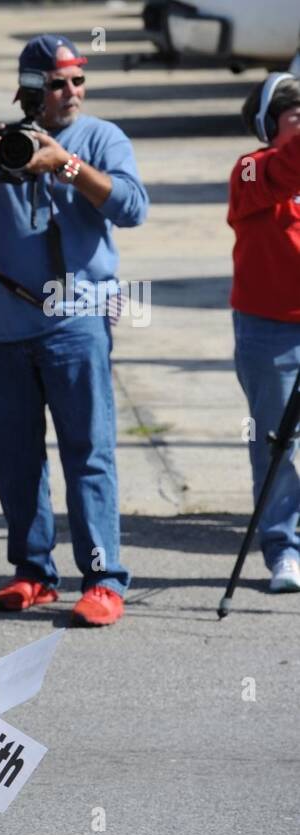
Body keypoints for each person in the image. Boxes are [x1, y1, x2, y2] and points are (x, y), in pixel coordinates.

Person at [0, 34, 148, 627]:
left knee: (89, 453)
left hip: (76, 322)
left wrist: (66, 165)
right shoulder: (0, 145)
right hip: (4, 329)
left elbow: (132, 206)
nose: (71, 92)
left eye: (78, 81)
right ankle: (32, 571)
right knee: (15, 458)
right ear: (30, 89)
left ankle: (103, 578)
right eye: (58, 83)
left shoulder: (101, 138)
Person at [228, 72, 300, 592]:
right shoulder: (252, 170)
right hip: (271, 331)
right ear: (269, 125)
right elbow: (287, 169)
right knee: (277, 445)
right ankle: (284, 550)